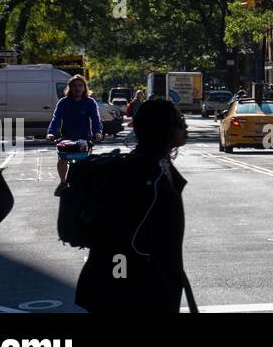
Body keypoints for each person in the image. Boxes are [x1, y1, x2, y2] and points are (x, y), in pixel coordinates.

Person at [75, 99, 194, 313]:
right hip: (132, 291)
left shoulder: (159, 167)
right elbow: (118, 238)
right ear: (164, 129)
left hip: (146, 285)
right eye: (179, 121)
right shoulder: (139, 171)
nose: (185, 127)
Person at [47, 75, 104, 184]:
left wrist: (98, 133)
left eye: (80, 85)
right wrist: (50, 133)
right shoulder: (63, 102)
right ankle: (62, 182)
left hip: (84, 139)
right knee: (62, 159)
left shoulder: (90, 102)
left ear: (84, 87)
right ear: (69, 88)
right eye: (74, 86)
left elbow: (96, 119)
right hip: (66, 139)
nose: (77, 88)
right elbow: (56, 119)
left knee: (86, 163)